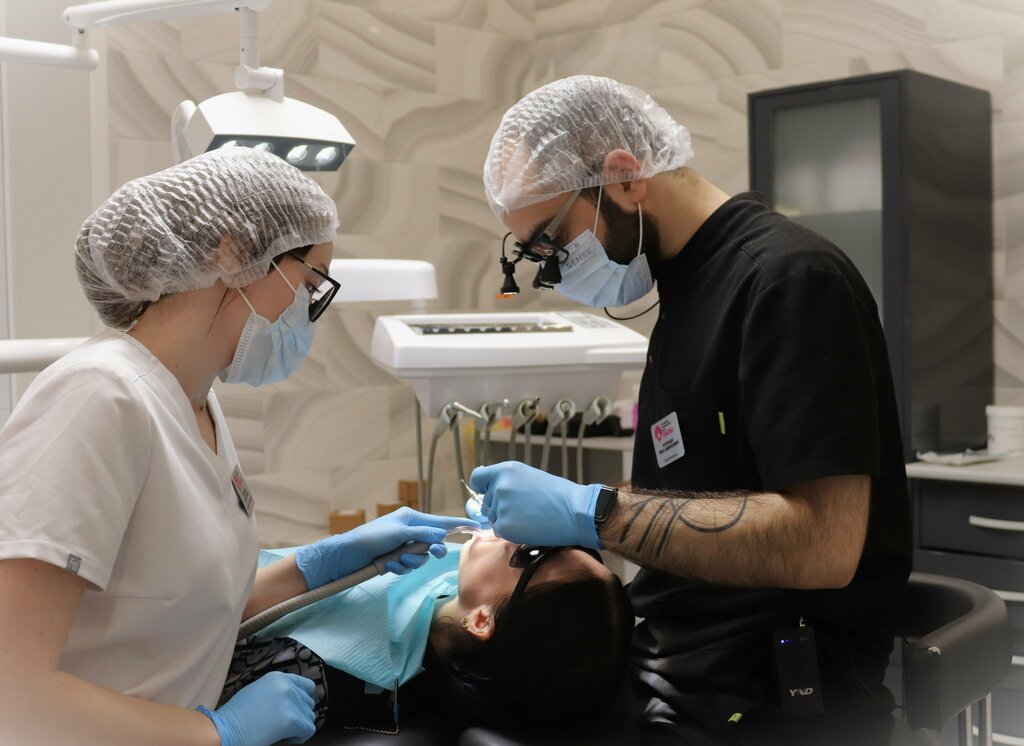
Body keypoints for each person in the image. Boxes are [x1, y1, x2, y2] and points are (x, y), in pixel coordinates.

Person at [471, 75, 911, 746]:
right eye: (535, 253)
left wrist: (596, 513)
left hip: (774, 701)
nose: (552, 268)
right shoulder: (686, 288)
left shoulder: (790, 280)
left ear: (625, 177)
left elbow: (823, 546)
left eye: (553, 237)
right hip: (685, 668)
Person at [0, 148, 474, 746]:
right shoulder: (99, 397)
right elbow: (11, 693)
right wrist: (218, 732)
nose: (308, 310)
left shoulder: (196, 404)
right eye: (310, 282)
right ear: (233, 254)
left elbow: (179, 609)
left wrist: (321, 564)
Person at [226, 532, 633, 734]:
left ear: (481, 621)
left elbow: (201, 647)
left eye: (529, 554)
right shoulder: (445, 572)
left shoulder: (318, 674)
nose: (514, 534)